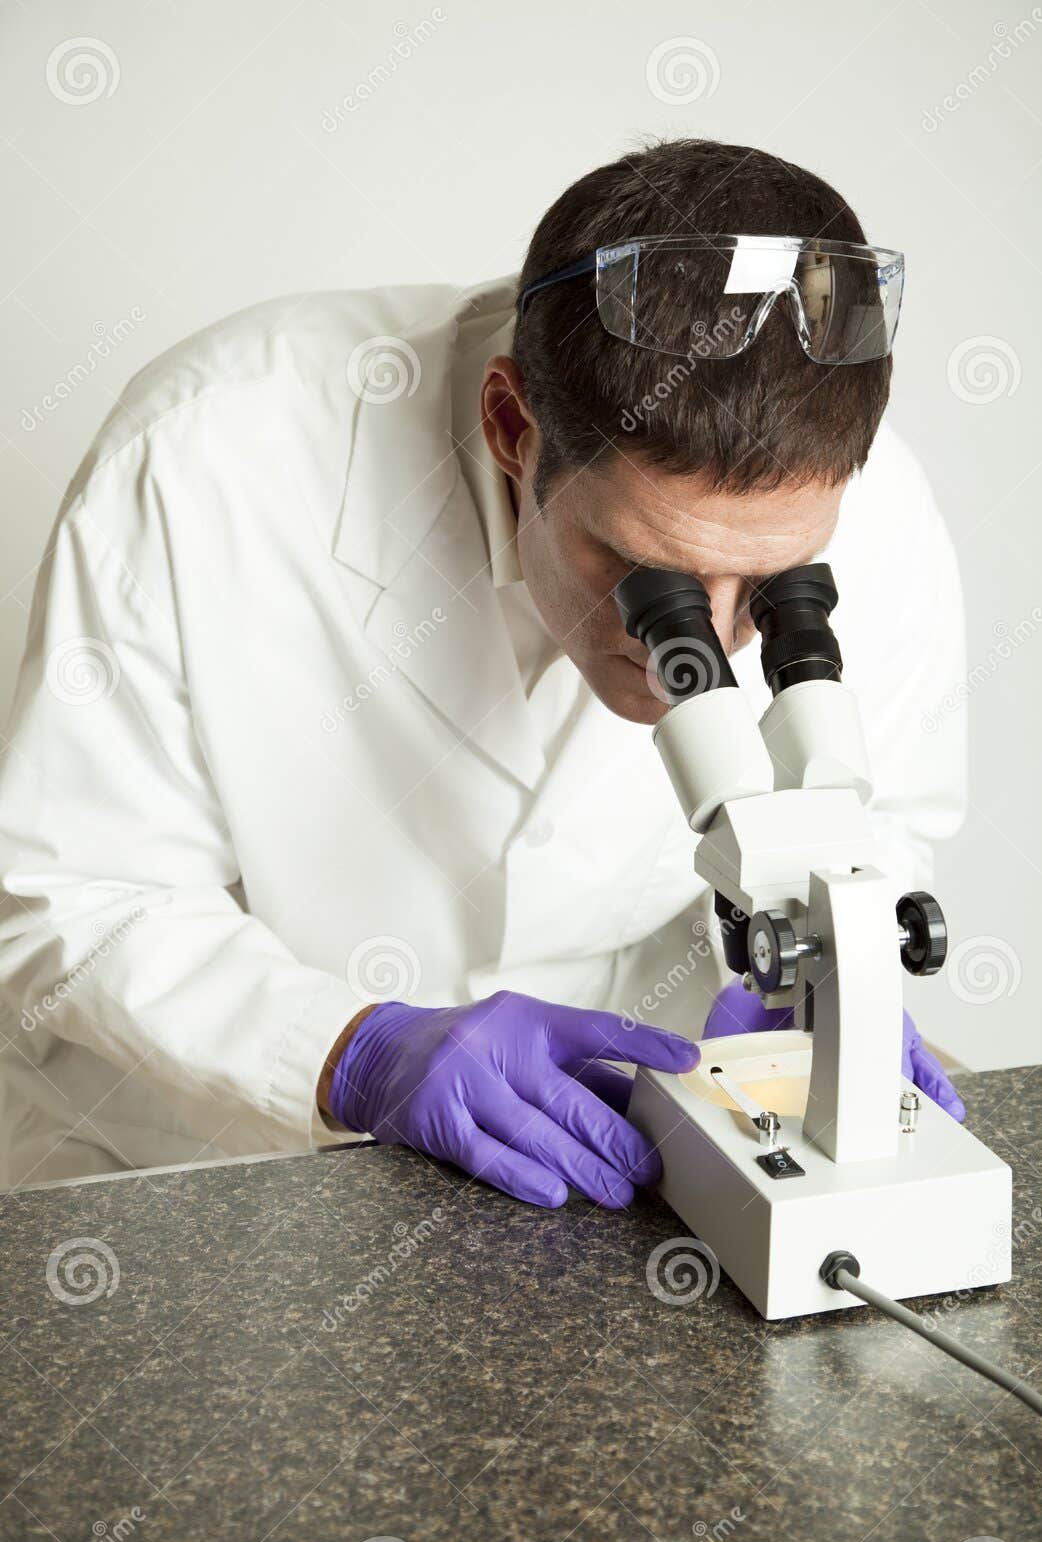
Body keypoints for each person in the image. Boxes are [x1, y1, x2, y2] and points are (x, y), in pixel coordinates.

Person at [0, 139, 966, 1194]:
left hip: (604, 1137)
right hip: (203, 1153)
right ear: (511, 426)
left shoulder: (864, 500)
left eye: (771, 585)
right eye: (651, 573)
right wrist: (353, 1053)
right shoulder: (207, 455)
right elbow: (72, 899)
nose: (715, 640)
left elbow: (883, 824)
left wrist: (816, 983)